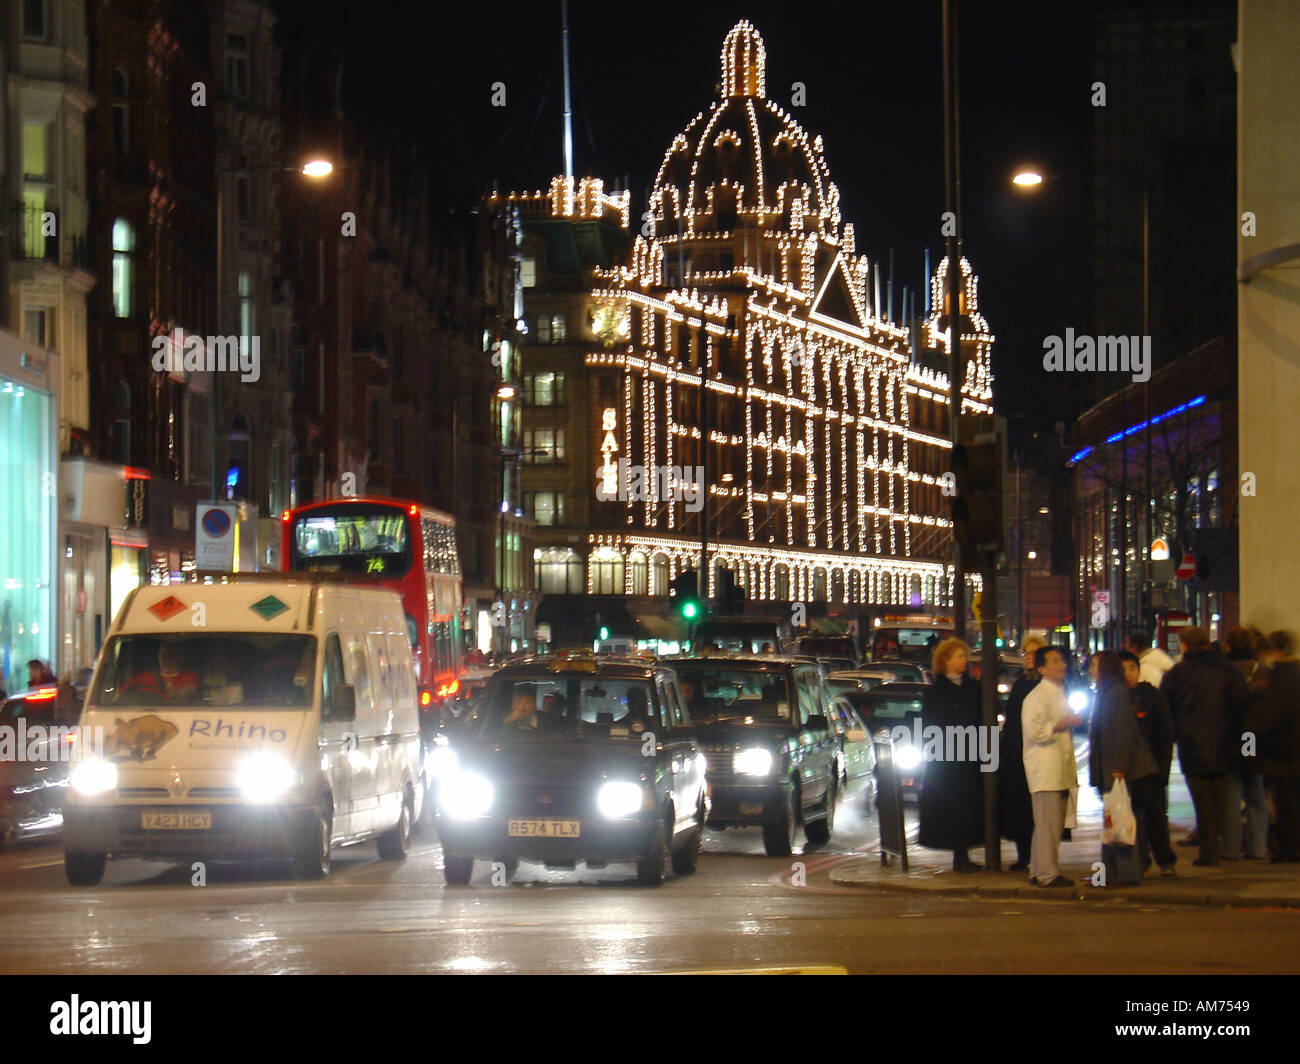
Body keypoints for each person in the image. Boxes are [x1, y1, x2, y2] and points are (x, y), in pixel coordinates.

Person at [1160, 626, 1250, 866]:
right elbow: (1242, 705)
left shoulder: (1177, 673)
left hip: (1192, 744)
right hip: (1224, 743)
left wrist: (1175, 736)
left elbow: (1165, 710)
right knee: (1223, 800)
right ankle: (1227, 846)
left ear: (1184, 645)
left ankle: (1209, 852)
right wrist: (1245, 744)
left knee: (1202, 803)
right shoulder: (1227, 670)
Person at [1089, 651, 1160, 886]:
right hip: (1112, 767)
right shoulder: (1108, 691)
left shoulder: (1115, 693)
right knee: (1114, 822)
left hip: (1119, 769)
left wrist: (1118, 767)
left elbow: (1122, 731)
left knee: (1120, 822)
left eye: (1095, 665)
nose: (1091, 669)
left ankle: (1126, 873)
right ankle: (1107, 874)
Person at [918, 638, 984, 872]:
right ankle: (959, 854)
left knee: (969, 806)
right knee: (952, 806)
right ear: (945, 660)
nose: (963, 661)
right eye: (959, 657)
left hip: (970, 756)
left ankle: (964, 852)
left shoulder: (974, 688)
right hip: (946, 759)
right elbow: (929, 724)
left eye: (964, 657)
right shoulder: (935, 692)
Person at [1021, 645, 1082, 887]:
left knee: (1049, 824)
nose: (1061, 665)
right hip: (1045, 769)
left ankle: (1038, 870)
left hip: (1058, 768)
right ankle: (1047, 873)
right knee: (1048, 824)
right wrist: (1059, 725)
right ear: (1042, 668)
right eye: (1055, 661)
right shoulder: (1037, 696)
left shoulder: (1059, 693)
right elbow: (1034, 732)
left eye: (1062, 660)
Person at [1119, 651, 1177, 876]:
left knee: (1156, 818)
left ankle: (1165, 860)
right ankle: (1140, 861)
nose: (1128, 674)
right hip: (1127, 770)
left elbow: (1164, 734)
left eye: (1132, 668)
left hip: (1151, 769)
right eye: (1123, 669)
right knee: (1134, 820)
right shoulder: (1115, 696)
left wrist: (1163, 769)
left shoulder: (1151, 696)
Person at [1245, 630, 1300, 863]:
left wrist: (1247, 749)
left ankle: (1292, 850)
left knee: (1287, 805)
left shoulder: (1280, 679)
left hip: (1283, 755)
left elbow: (1262, 719)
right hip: (1290, 752)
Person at [1222, 627, 1270, 860]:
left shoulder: (1223, 671)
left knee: (1232, 793)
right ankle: (1258, 846)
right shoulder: (1261, 670)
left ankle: (1231, 848)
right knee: (1256, 792)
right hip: (1254, 738)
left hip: (1231, 736)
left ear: (1228, 645)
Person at [998, 635, 1045, 871]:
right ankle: (1023, 855)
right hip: (1017, 753)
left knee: (1035, 807)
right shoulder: (1020, 684)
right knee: (1019, 806)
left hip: (1037, 753)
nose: (1029, 658)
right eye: (1027, 653)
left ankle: (1036, 856)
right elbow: (1011, 719)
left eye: (1035, 653)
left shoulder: (1045, 685)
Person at [121, 643, 200, 702]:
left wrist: (179, 694)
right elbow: (120, 695)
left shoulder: (189, 676)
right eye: (164, 655)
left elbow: (190, 690)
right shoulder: (144, 677)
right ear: (159, 657)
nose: (168, 659)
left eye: (173, 655)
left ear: (180, 658)